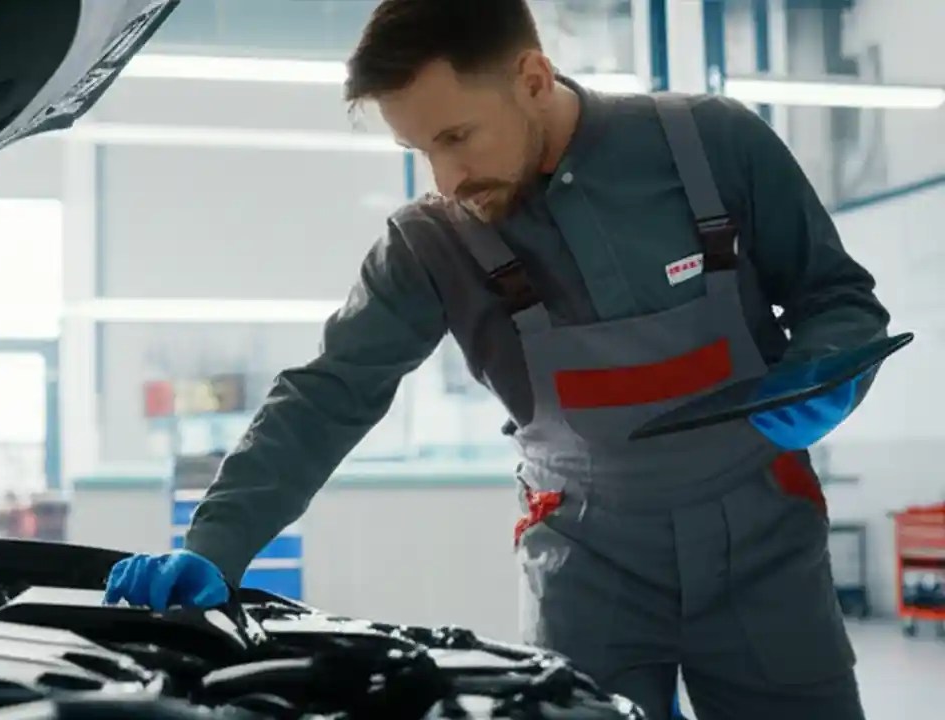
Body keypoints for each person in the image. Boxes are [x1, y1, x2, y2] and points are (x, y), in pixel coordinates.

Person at [103, 2, 889, 718]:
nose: (445, 180)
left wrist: (829, 369)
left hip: (761, 540)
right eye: (417, 149)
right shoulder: (429, 243)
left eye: (456, 137)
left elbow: (841, 298)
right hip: (590, 565)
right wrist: (216, 543)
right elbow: (326, 395)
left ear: (534, 77)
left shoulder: (713, 143)